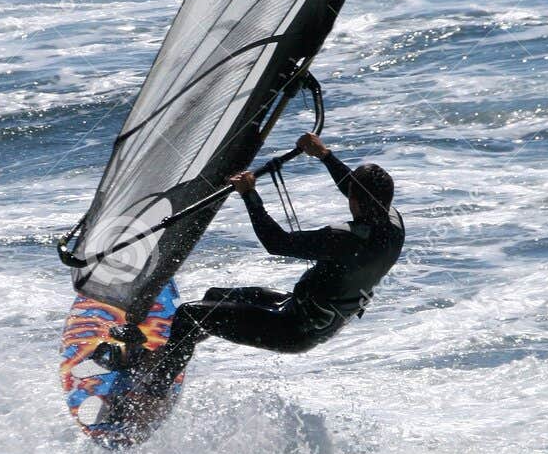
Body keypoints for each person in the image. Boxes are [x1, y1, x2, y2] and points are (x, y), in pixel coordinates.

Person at [96, 133, 404, 393]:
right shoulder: (393, 225)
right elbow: (356, 190)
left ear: (354, 200)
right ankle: (170, 355)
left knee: (190, 315)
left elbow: (276, 243)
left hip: (293, 329)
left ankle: (157, 386)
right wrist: (324, 155)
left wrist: (249, 195)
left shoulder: (344, 240)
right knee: (215, 298)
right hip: (310, 316)